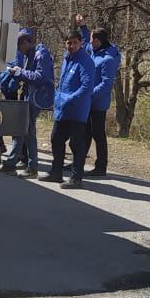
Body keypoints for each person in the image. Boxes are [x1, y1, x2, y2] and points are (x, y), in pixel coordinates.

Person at [43, 28, 95, 188]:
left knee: (76, 144)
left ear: (80, 43)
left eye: (74, 43)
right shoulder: (67, 58)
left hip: (76, 110)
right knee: (56, 139)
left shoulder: (85, 61)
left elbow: (86, 86)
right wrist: (57, 99)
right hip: (62, 109)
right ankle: (56, 172)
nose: (71, 45)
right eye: (69, 43)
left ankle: (76, 178)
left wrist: (71, 100)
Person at [0, 29, 53, 177]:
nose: (19, 51)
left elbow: (41, 76)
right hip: (28, 96)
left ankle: (31, 166)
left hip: (35, 98)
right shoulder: (30, 55)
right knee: (23, 130)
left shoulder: (40, 54)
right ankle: (16, 163)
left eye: (19, 47)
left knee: (28, 131)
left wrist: (20, 72)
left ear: (25, 43)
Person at [77, 15, 121, 178]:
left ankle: (101, 166)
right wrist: (83, 26)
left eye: (94, 41)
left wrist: (89, 94)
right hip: (87, 101)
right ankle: (79, 161)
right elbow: (87, 38)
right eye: (91, 40)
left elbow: (106, 84)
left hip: (98, 102)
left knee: (98, 133)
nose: (91, 43)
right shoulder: (93, 50)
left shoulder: (108, 59)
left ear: (101, 41)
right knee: (85, 131)